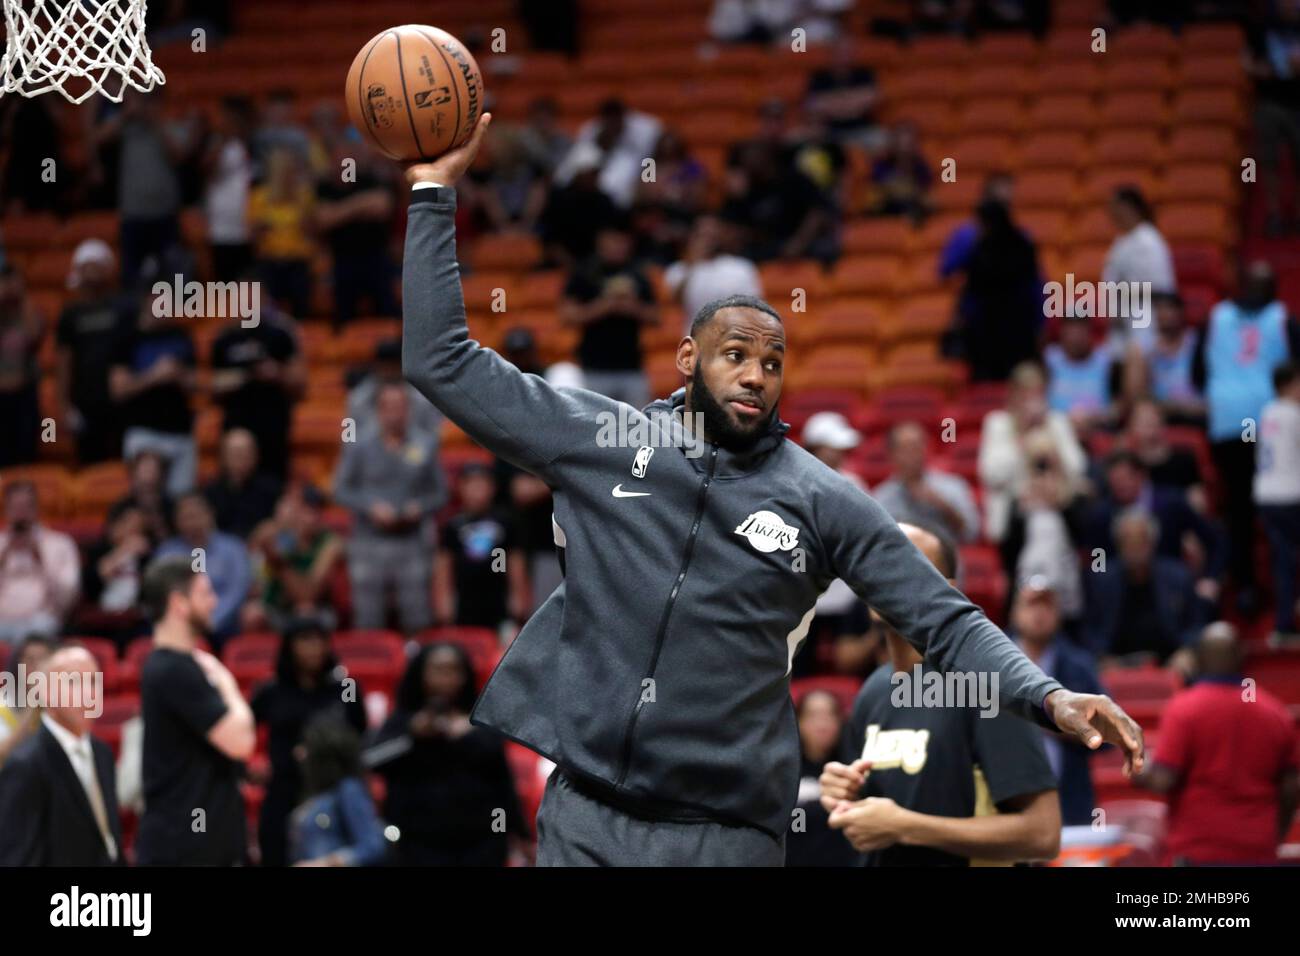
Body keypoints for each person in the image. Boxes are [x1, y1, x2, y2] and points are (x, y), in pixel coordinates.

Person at [398, 116, 1143, 866]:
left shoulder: (821, 496)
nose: (756, 374)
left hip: (726, 832)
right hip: (586, 814)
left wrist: (1048, 696)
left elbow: (943, 618)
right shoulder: (600, 439)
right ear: (688, 358)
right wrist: (434, 195)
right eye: (735, 355)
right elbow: (441, 362)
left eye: (773, 362)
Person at [820, 525, 1061, 865]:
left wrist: (906, 827)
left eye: (902, 561)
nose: (879, 572)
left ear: (946, 590)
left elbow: (1043, 835)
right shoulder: (872, 692)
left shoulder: (984, 686)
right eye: (874, 559)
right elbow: (874, 822)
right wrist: (845, 794)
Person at [1136, 623, 1299, 865]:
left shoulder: (1183, 709)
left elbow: (1162, 780)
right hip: (1258, 850)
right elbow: (1292, 788)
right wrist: (1273, 836)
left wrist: (1136, 766)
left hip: (1197, 852)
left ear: (1199, 659)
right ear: (1241, 657)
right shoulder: (1277, 713)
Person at [135, 556, 254, 866]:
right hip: (186, 848)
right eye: (205, 593)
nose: (214, 602)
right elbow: (241, 741)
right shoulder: (174, 668)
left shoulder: (176, 665)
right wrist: (228, 686)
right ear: (179, 603)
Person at [1197, 261, 1299, 611]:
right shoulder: (1282, 318)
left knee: (1239, 510)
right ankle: (1284, 592)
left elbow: (1198, 372)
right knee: (1281, 509)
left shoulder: (1216, 318)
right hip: (1273, 423)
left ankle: (1247, 590)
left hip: (1229, 421)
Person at [371, 643, 527, 866]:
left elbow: (503, 781)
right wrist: (412, 735)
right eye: (438, 670)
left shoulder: (480, 720)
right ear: (421, 674)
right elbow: (372, 761)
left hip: (480, 843)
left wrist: (519, 833)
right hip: (417, 842)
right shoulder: (403, 721)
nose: (446, 678)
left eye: (453, 670)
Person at [251, 617, 367, 867]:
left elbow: (360, 735)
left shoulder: (345, 687)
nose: (314, 648)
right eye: (305, 640)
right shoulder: (270, 690)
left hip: (333, 793)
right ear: (289, 647)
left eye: (319, 640)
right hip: (284, 789)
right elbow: (242, 732)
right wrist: (249, 766)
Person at [333, 382, 446, 633]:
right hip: (368, 541)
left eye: (400, 406)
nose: (395, 413)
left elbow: (440, 493)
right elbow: (340, 490)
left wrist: (420, 507)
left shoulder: (425, 445)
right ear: (378, 410)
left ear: (409, 409)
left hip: (411, 540)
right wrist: (369, 507)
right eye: (388, 407)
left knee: (416, 613)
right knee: (368, 614)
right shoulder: (358, 444)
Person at [0, 646, 123, 865]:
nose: (88, 693)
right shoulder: (26, 764)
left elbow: (109, 840)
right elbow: (19, 858)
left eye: (94, 681)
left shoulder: (101, 751)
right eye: (73, 682)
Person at [1008, 576, 1106, 827]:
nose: (1039, 613)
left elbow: (1105, 734)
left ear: (1059, 614)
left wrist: (1047, 721)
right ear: (1015, 612)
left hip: (1068, 802)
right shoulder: (990, 665)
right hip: (1004, 800)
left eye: (1047, 606)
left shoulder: (1078, 666)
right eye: (1032, 605)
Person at [1082, 508, 1205, 672]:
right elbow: (1088, 630)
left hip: (1169, 663)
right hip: (1116, 664)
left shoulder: (1178, 577)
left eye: (1141, 540)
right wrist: (1101, 657)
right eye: (1128, 541)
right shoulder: (1102, 580)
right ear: (1118, 544)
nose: (1135, 547)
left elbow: (1196, 624)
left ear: (1153, 543)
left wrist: (1186, 650)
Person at [978, 361, 1087, 545]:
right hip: (1016, 515)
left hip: (1058, 506)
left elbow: (1078, 468)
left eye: (1037, 394)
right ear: (1013, 396)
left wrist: (1055, 449)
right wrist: (1021, 436)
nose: (1032, 402)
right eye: (1026, 395)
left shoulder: (1057, 422)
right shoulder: (998, 423)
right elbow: (992, 475)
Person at [559, 218, 660, 408]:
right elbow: (567, 315)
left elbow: (656, 316)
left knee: (639, 430)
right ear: (601, 241)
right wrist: (604, 306)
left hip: (632, 367)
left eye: (622, 241)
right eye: (613, 240)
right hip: (593, 367)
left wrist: (631, 308)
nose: (618, 246)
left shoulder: (638, 273)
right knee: (594, 428)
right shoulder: (585, 273)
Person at [55, 239, 135, 464]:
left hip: (120, 400)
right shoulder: (70, 314)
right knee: (91, 464)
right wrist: (63, 405)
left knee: (122, 464)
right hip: (85, 402)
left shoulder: (123, 307)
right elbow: (63, 361)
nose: (92, 271)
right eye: (86, 265)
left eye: (96, 264)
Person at [109, 300, 198, 497]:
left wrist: (179, 375)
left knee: (181, 500)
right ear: (148, 300)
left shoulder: (181, 336)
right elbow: (118, 390)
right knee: (147, 490)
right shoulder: (128, 338)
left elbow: (196, 382)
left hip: (180, 431)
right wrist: (154, 376)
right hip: (144, 431)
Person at [951, 199, 1042, 382]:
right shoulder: (1018, 245)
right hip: (999, 333)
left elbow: (1033, 288)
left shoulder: (987, 249)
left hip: (1007, 331)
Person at [209, 309, 304, 482]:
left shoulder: (279, 334)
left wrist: (278, 373)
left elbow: (300, 383)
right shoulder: (224, 339)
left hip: (273, 423)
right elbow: (212, 385)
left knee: (272, 483)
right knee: (234, 480)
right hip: (237, 422)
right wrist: (246, 375)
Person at [436, 463, 530, 633]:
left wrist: (519, 598)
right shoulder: (453, 525)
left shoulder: (505, 522)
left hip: (498, 602)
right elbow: (444, 565)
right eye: (471, 485)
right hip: (464, 604)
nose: (477, 491)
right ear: (460, 488)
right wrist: (444, 602)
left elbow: (515, 562)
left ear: (492, 488)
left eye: (482, 485)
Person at [315, 141, 399, 326]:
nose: (344, 163)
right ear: (331, 161)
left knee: (387, 312)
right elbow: (323, 220)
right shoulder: (324, 187)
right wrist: (360, 206)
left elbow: (382, 207)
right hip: (343, 260)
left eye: (348, 159)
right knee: (343, 315)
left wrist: (340, 211)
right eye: (339, 159)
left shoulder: (370, 180)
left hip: (376, 258)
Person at [288, 715, 389, 866]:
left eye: (306, 746)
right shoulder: (313, 792)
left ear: (323, 753)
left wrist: (327, 863)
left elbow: (372, 845)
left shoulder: (348, 789)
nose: (298, 752)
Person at [154, 493, 253, 645]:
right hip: (181, 622)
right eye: (186, 517)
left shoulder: (233, 548)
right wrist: (190, 620)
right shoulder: (167, 553)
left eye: (196, 515)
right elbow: (161, 591)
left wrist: (212, 618)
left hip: (225, 625)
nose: (192, 522)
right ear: (176, 521)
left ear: (210, 514)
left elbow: (237, 590)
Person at [245, 485, 344, 632]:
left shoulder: (330, 543)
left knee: (305, 611)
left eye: (315, 511)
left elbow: (307, 596)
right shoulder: (276, 533)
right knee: (251, 614)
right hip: (276, 607)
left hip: (316, 611)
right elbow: (252, 563)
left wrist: (280, 563)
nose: (310, 518)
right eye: (304, 510)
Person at [872, 421, 980, 543]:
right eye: (905, 449)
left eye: (917, 447)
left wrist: (944, 507)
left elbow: (972, 533)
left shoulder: (952, 485)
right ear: (891, 454)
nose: (912, 455)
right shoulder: (880, 498)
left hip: (943, 561)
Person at [0, 482, 80, 644]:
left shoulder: (61, 544)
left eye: (25, 507)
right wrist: (4, 558)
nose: (20, 515)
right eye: (15, 508)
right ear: (6, 510)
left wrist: (40, 559)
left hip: (39, 620)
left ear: (36, 509)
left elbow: (68, 598)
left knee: (38, 631)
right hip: (2, 620)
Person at [786, 688, 858, 867]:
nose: (822, 724)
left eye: (830, 715)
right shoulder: (782, 775)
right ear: (798, 722)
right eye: (813, 715)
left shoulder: (854, 773)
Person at [1256, 362, 1300, 641]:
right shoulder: (1294, 414)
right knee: (1288, 559)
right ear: (1287, 385)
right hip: (1289, 495)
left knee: (1282, 559)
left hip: (1266, 495)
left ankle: (1283, 623)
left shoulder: (1267, 412)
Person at [1101, 186, 1176, 348]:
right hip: (1121, 323)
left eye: (1115, 208)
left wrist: (1125, 291)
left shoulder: (1149, 240)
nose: (1112, 214)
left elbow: (1162, 287)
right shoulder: (1120, 242)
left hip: (1144, 320)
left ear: (1129, 208)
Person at [248, 146, 316, 318]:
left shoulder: (304, 195)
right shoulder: (259, 197)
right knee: (270, 312)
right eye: (288, 170)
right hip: (270, 261)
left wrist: (299, 206)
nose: (292, 175)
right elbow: (254, 233)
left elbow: (311, 230)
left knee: (301, 312)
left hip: (298, 262)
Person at [664, 215, 762, 331]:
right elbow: (676, 301)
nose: (708, 241)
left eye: (712, 235)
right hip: (696, 338)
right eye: (703, 235)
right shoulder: (678, 269)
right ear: (692, 237)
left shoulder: (742, 267)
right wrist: (692, 264)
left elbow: (754, 306)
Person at [345, 338, 442, 444]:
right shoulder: (357, 400)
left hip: (413, 455)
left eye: (393, 368)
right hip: (369, 456)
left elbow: (433, 437)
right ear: (377, 367)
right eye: (385, 368)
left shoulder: (422, 400)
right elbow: (348, 438)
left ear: (401, 366)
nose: (389, 372)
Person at [202, 96, 256, 282]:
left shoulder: (252, 143)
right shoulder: (216, 144)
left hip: (248, 226)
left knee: (248, 287)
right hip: (222, 228)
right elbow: (208, 170)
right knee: (225, 287)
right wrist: (223, 139)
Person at [1043, 314, 1120, 436]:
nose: (1076, 336)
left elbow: (1119, 406)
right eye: (1071, 329)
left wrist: (1097, 418)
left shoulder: (1106, 360)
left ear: (1090, 332)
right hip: (1058, 432)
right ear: (1062, 332)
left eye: (1080, 329)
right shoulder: (1049, 360)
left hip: (1099, 431)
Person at [0, 263, 44, 467]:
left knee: (26, 457)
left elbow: (34, 336)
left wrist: (21, 296)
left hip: (24, 396)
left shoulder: (29, 313)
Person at [203, 428, 284, 539]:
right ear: (223, 457)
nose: (240, 458)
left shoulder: (272, 489)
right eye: (235, 453)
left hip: (260, 547)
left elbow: (283, 523)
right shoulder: (209, 492)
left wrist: (274, 526)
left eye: (245, 452)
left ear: (256, 455)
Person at [0, 635, 56, 768]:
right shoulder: (3, 703)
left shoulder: (65, 702)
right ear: (18, 665)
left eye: (43, 659)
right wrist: (34, 701)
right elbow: (2, 752)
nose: (37, 666)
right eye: (30, 660)